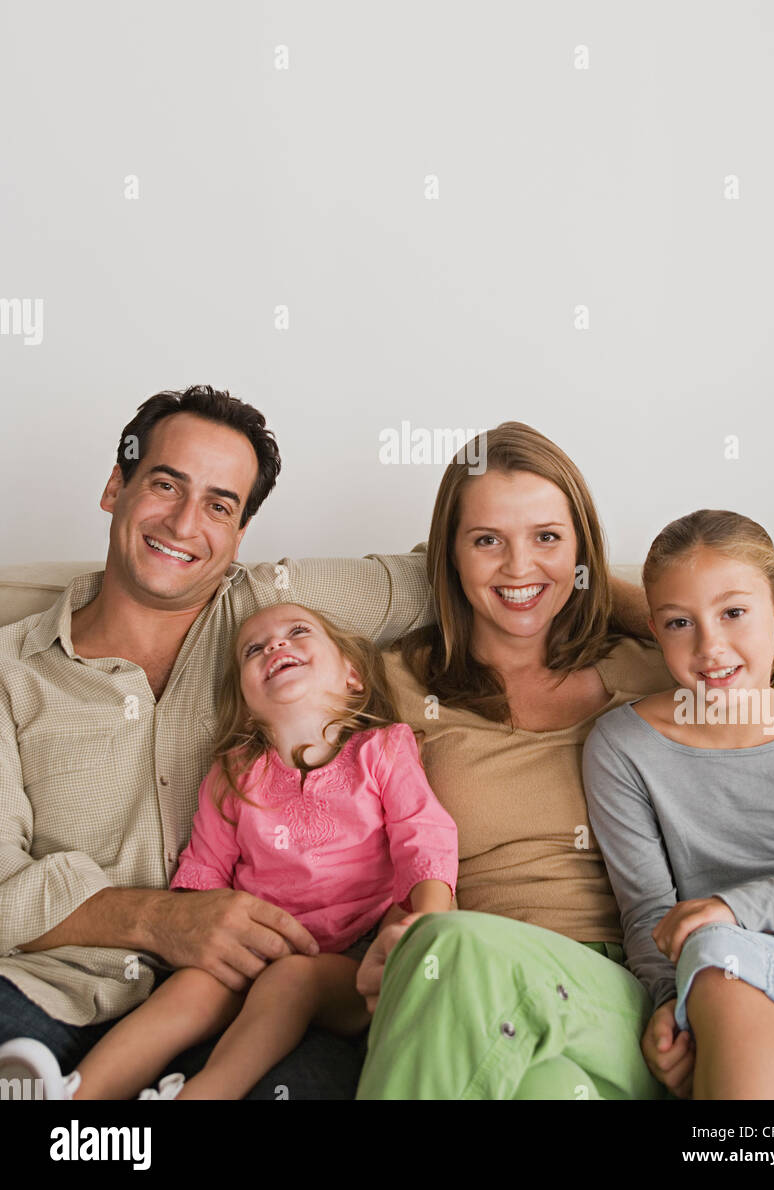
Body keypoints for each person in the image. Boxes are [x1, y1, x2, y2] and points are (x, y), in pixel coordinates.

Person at [0, 384, 646, 1099]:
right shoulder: (11, 677)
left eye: (219, 504)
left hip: (292, 986)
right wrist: (164, 919)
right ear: (115, 486)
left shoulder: (271, 610)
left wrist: (684, 616)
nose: (186, 523)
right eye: (163, 484)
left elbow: (497, 572)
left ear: (241, 532)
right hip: (57, 990)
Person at [353, 425, 774, 1100]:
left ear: (583, 550)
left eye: (546, 538)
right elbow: (267, 623)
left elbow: (769, 719)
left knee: (453, 952)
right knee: (543, 1084)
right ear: (445, 555)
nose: (517, 567)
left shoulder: (657, 668)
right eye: (485, 541)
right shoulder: (391, 681)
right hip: (474, 978)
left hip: (618, 981)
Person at [0, 602, 457, 1099]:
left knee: (291, 982)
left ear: (352, 675)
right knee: (190, 988)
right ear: (247, 703)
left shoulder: (382, 750)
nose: (275, 646)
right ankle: (77, 1094)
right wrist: (200, 946)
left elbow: (424, 836)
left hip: (357, 961)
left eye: (297, 632)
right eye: (253, 650)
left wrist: (425, 927)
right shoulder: (234, 775)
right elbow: (204, 871)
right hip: (253, 948)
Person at [582, 509, 774, 1100]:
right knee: (710, 952)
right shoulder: (621, 747)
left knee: (710, 941)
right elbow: (647, 916)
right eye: (680, 622)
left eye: (734, 612)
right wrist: (669, 1008)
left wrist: (741, 909)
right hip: (714, 1000)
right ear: (656, 633)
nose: (710, 646)